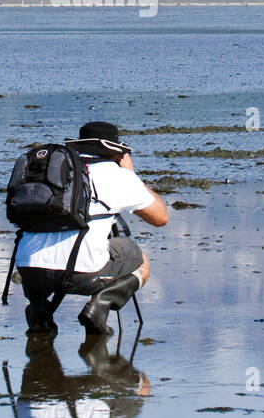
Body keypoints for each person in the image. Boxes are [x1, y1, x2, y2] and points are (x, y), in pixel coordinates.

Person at [16, 122, 168, 336]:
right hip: (79, 275)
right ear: (116, 152)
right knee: (141, 262)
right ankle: (100, 306)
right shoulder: (118, 176)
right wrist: (132, 176)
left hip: (29, 271)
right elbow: (160, 217)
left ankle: (39, 313)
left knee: (52, 246)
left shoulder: (57, 174)